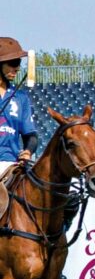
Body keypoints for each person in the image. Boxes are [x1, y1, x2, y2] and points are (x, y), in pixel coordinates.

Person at [0, 38, 36, 178]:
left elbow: (30, 135)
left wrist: (27, 151)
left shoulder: (21, 97)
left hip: (12, 164)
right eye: (13, 63)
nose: (18, 68)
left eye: (19, 63)